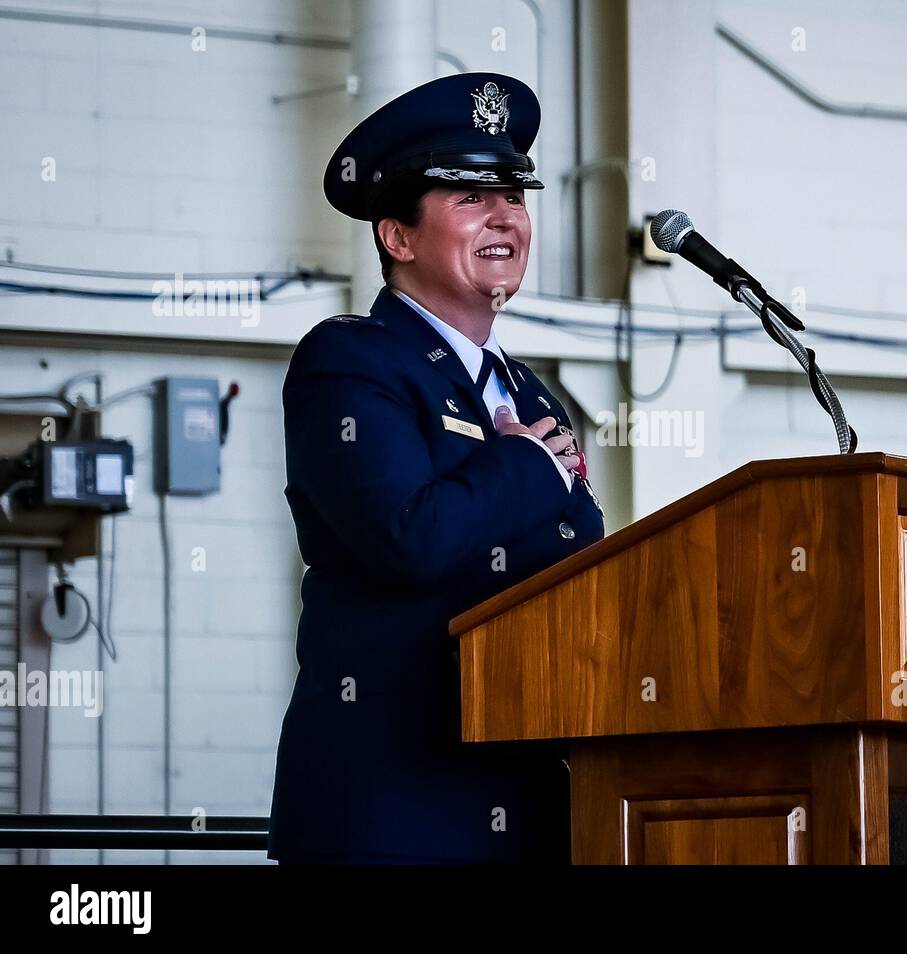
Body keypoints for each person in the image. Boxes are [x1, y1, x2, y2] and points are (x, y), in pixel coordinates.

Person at [268, 73, 604, 864]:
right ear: (398, 236)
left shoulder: (528, 388)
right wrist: (524, 463)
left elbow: (580, 560)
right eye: (468, 197)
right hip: (396, 807)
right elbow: (406, 536)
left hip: (532, 798)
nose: (505, 216)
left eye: (515, 196)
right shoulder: (349, 360)